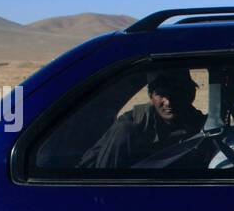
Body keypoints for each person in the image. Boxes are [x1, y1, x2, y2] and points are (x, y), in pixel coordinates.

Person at [78, 70, 206, 168]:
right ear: (151, 96)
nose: (168, 102)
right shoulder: (130, 125)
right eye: (161, 94)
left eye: (175, 93)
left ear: (188, 94)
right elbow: (98, 175)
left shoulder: (198, 123)